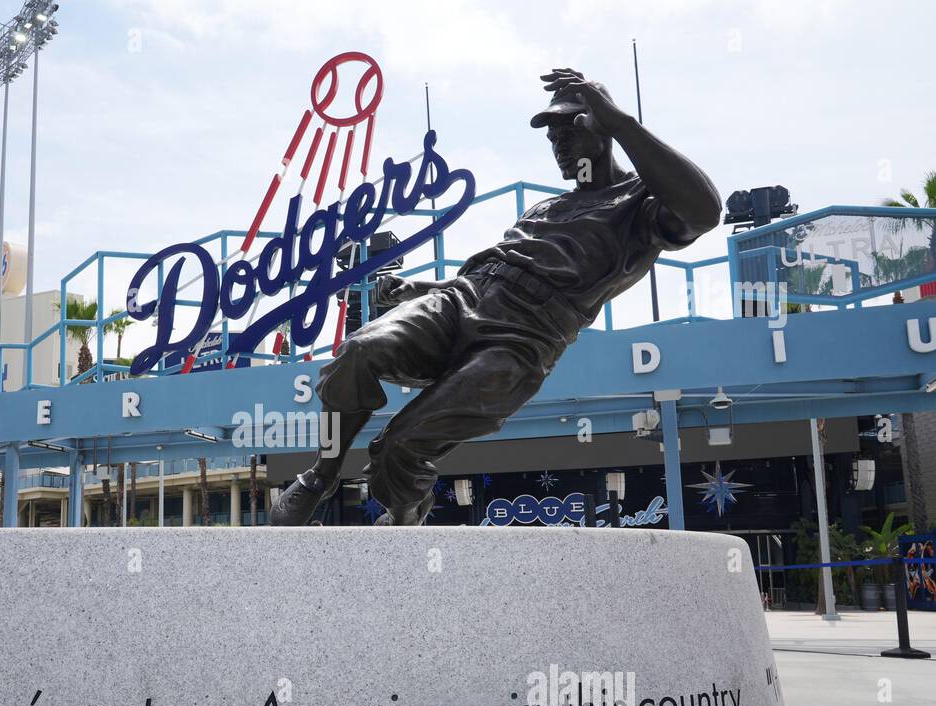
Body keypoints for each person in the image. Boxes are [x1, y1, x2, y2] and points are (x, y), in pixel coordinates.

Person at [271, 68, 722, 526]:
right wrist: (420, 289)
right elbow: (495, 274)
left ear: (602, 129)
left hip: (520, 339)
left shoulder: (639, 208)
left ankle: (406, 509)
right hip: (465, 298)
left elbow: (705, 210)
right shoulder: (547, 208)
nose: (560, 145)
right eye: (552, 137)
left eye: (571, 130)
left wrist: (621, 121)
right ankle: (321, 474)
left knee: (399, 447)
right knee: (358, 353)